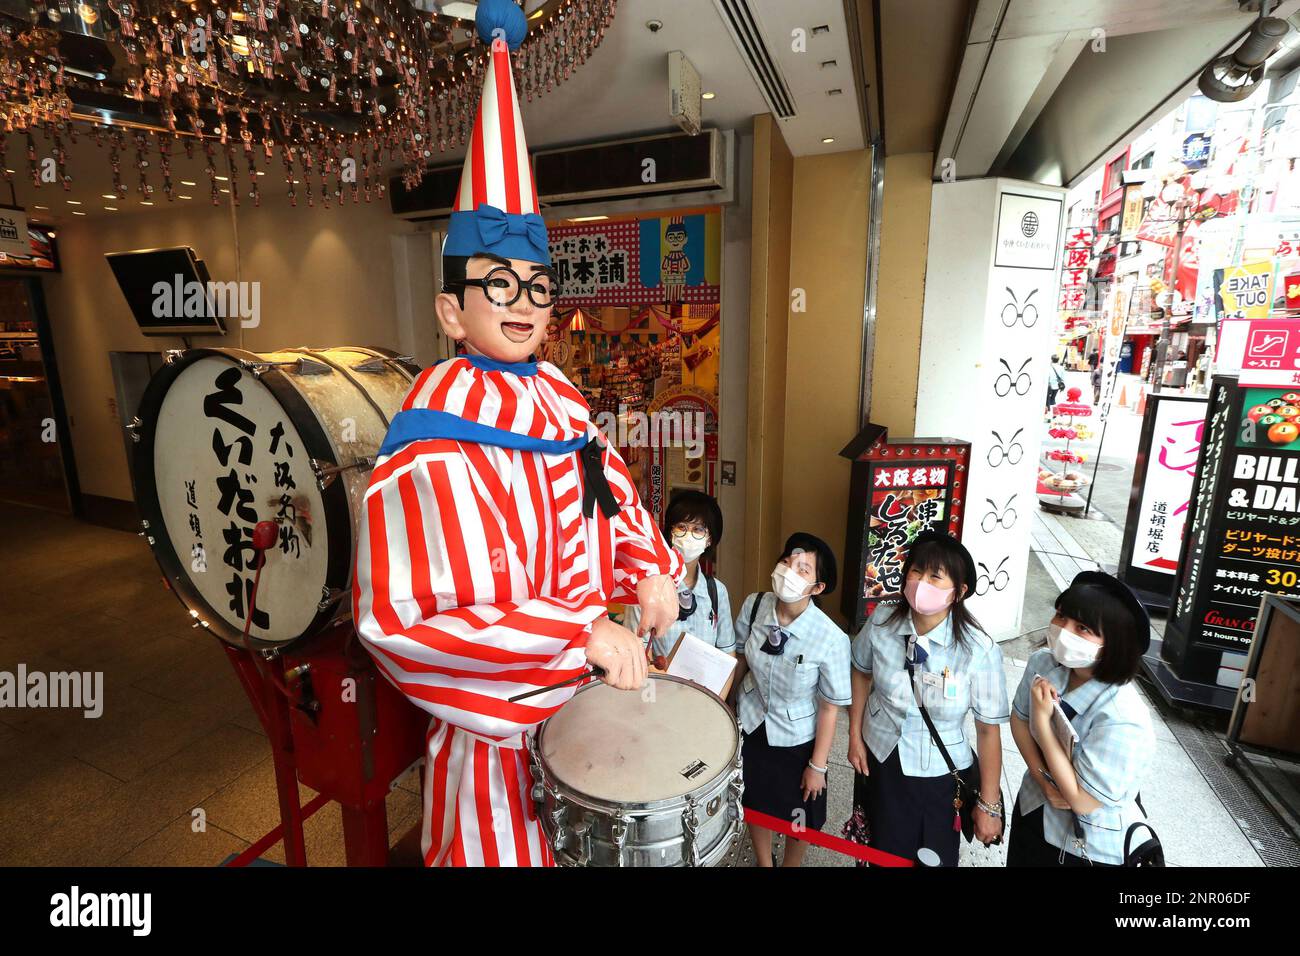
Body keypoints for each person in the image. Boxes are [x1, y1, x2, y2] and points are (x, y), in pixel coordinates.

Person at [352, 0, 682, 868]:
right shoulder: (428, 437)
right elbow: (403, 621)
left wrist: (647, 568)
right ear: (450, 313)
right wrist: (570, 636)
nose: (525, 304)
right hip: (493, 748)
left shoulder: (565, 401)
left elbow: (604, 499)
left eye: (536, 285)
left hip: (589, 714)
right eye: (498, 286)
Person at [848, 531, 1008, 866]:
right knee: (875, 848)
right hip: (880, 757)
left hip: (937, 777)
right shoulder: (881, 622)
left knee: (928, 856)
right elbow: (860, 672)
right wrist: (854, 737)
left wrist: (989, 804)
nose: (922, 582)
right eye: (916, 572)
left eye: (935, 576)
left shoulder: (978, 651)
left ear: (959, 592)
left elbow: (988, 730)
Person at [1007, 571, 1156, 867]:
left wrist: (1043, 723)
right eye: (1061, 617)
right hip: (1032, 811)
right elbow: (1019, 720)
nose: (1064, 631)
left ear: (1114, 644)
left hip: (1088, 846)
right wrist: (1042, 780)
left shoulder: (1123, 718)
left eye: (1083, 628)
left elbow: (1081, 801)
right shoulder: (1044, 663)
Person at [732, 533, 850, 867]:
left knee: (801, 814)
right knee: (755, 801)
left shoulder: (831, 638)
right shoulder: (755, 605)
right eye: (786, 562)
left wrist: (818, 765)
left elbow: (830, 706)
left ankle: (791, 864)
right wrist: (727, 704)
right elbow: (741, 657)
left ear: (817, 588)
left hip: (797, 738)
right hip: (752, 722)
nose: (788, 571)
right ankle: (764, 861)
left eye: (802, 569)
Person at [625, 490, 734, 664]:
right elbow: (638, 655)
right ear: (670, 533)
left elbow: (727, 655)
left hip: (704, 691)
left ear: (709, 539)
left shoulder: (717, 592)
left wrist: (715, 693)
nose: (689, 535)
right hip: (660, 689)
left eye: (698, 529)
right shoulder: (648, 585)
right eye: (682, 527)